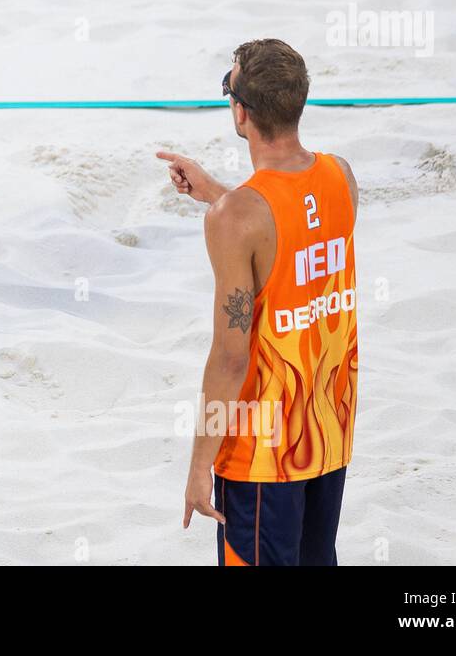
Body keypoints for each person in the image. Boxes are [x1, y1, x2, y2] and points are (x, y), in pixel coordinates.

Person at [162, 39, 359, 565]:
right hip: (326, 429)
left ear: (240, 111)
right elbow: (291, 243)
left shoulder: (236, 220)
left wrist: (199, 464)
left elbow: (230, 356)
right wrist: (220, 196)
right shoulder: (341, 177)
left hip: (262, 453)